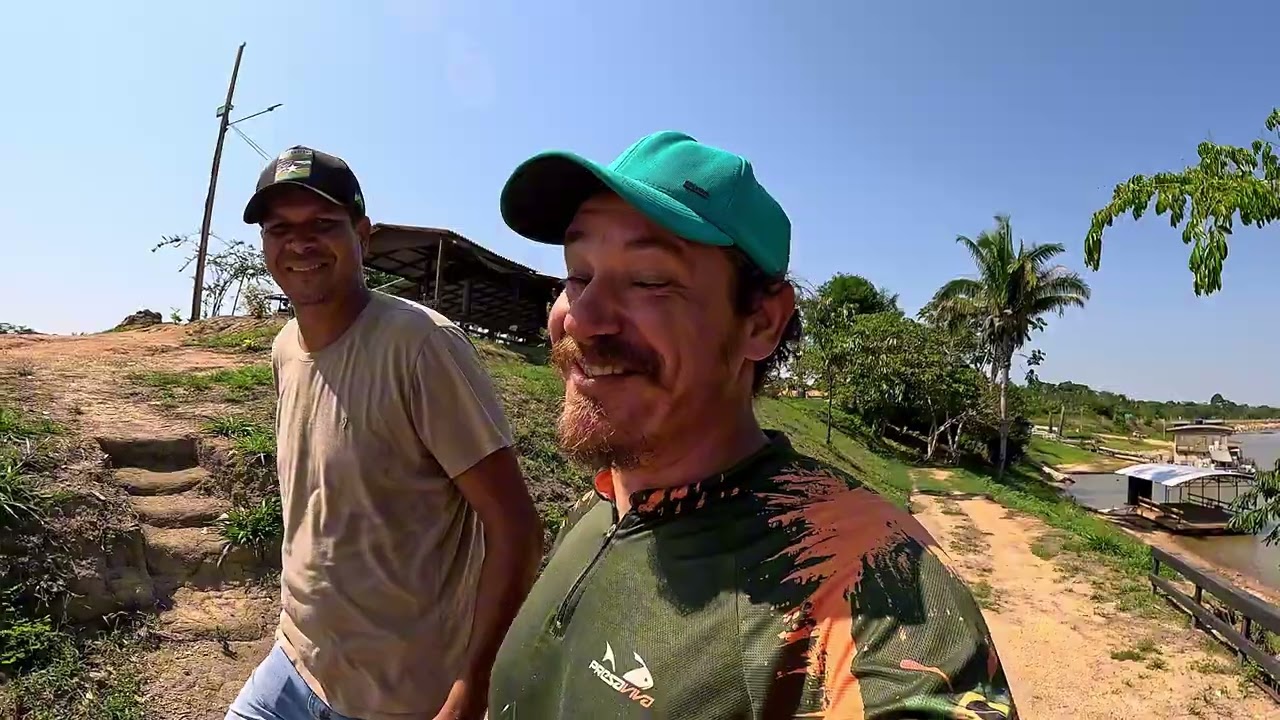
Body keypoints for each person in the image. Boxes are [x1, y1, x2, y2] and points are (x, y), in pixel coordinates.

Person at [486, 131, 1018, 719]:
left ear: (761, 322)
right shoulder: (607, 502)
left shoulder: (859, 584)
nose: (581, 320)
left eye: (648, 280)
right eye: (578, 273)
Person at [225, 146, 543, 720]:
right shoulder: (285, 349)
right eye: (280, 229)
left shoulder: (421, 347)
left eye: (323, 224)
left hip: (398, 697)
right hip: (295, 662)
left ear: (363, 237)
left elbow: (515, 527)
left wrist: (473, 687)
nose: (299, 243)